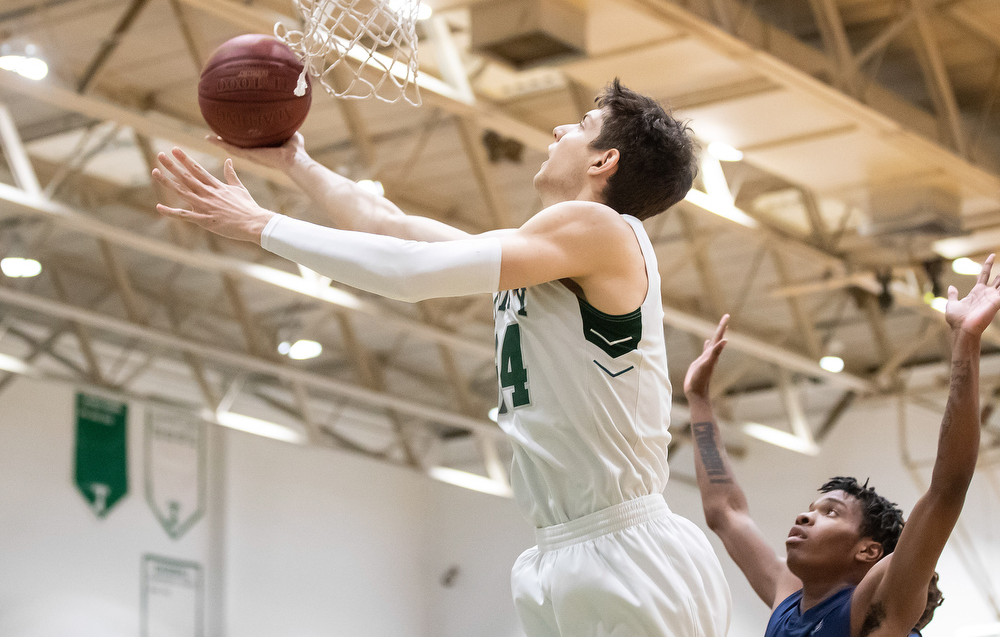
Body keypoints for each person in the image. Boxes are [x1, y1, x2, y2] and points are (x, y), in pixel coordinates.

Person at [152, 79, 731, 637]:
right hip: (563, 546)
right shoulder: (551, 252)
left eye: (580, 125)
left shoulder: (599, 227)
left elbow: (407, 273)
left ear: (604, 161)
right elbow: (390, 228)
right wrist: (294, 160)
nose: (557, 129)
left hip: (628, 549)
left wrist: (261, 224)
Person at [681, 256, 1000, 637]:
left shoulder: (873, 603)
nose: (804, 517)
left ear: (867, 551)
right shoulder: (789, 597)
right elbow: (725, 512)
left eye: (831, 513)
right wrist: (698, 398)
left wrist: (965, 343)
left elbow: (947, 488)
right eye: (812, 509)